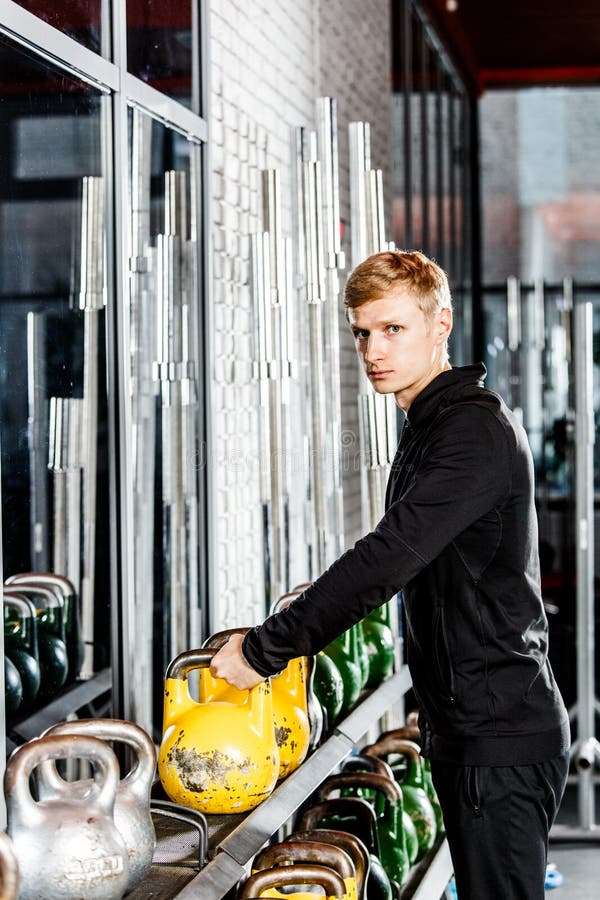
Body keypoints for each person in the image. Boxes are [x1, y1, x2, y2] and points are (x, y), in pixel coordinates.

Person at [211, 250, 570, 899]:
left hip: (500, 737)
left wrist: (265, 651)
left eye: (393, 329)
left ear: (441, 325)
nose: (374, 349)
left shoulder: (471, 434)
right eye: (363, 332)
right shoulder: (431, 424)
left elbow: (386, 557)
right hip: (472, 729)